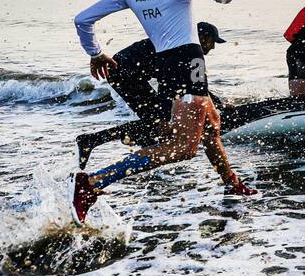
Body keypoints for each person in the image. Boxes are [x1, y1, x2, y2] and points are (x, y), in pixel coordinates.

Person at [70, 0, 255, 224]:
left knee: (210, 126)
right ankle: (93, 183)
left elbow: (82, 20)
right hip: (189, 59)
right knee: (184, 147)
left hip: (167, 62)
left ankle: (232, 183)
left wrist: (95, 52)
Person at [75, 21, 227, 169]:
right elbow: (171, 85)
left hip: (124, 73)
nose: (212, 47)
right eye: (212, 41)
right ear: (203, 37)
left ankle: (130, 142)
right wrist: (165, 115)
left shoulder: (180, 44)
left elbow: (195, 86)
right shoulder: (184, 50)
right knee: (159, 121)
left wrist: (217, 104)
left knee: (156, 121)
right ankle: (96, 140)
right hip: (123, 73)